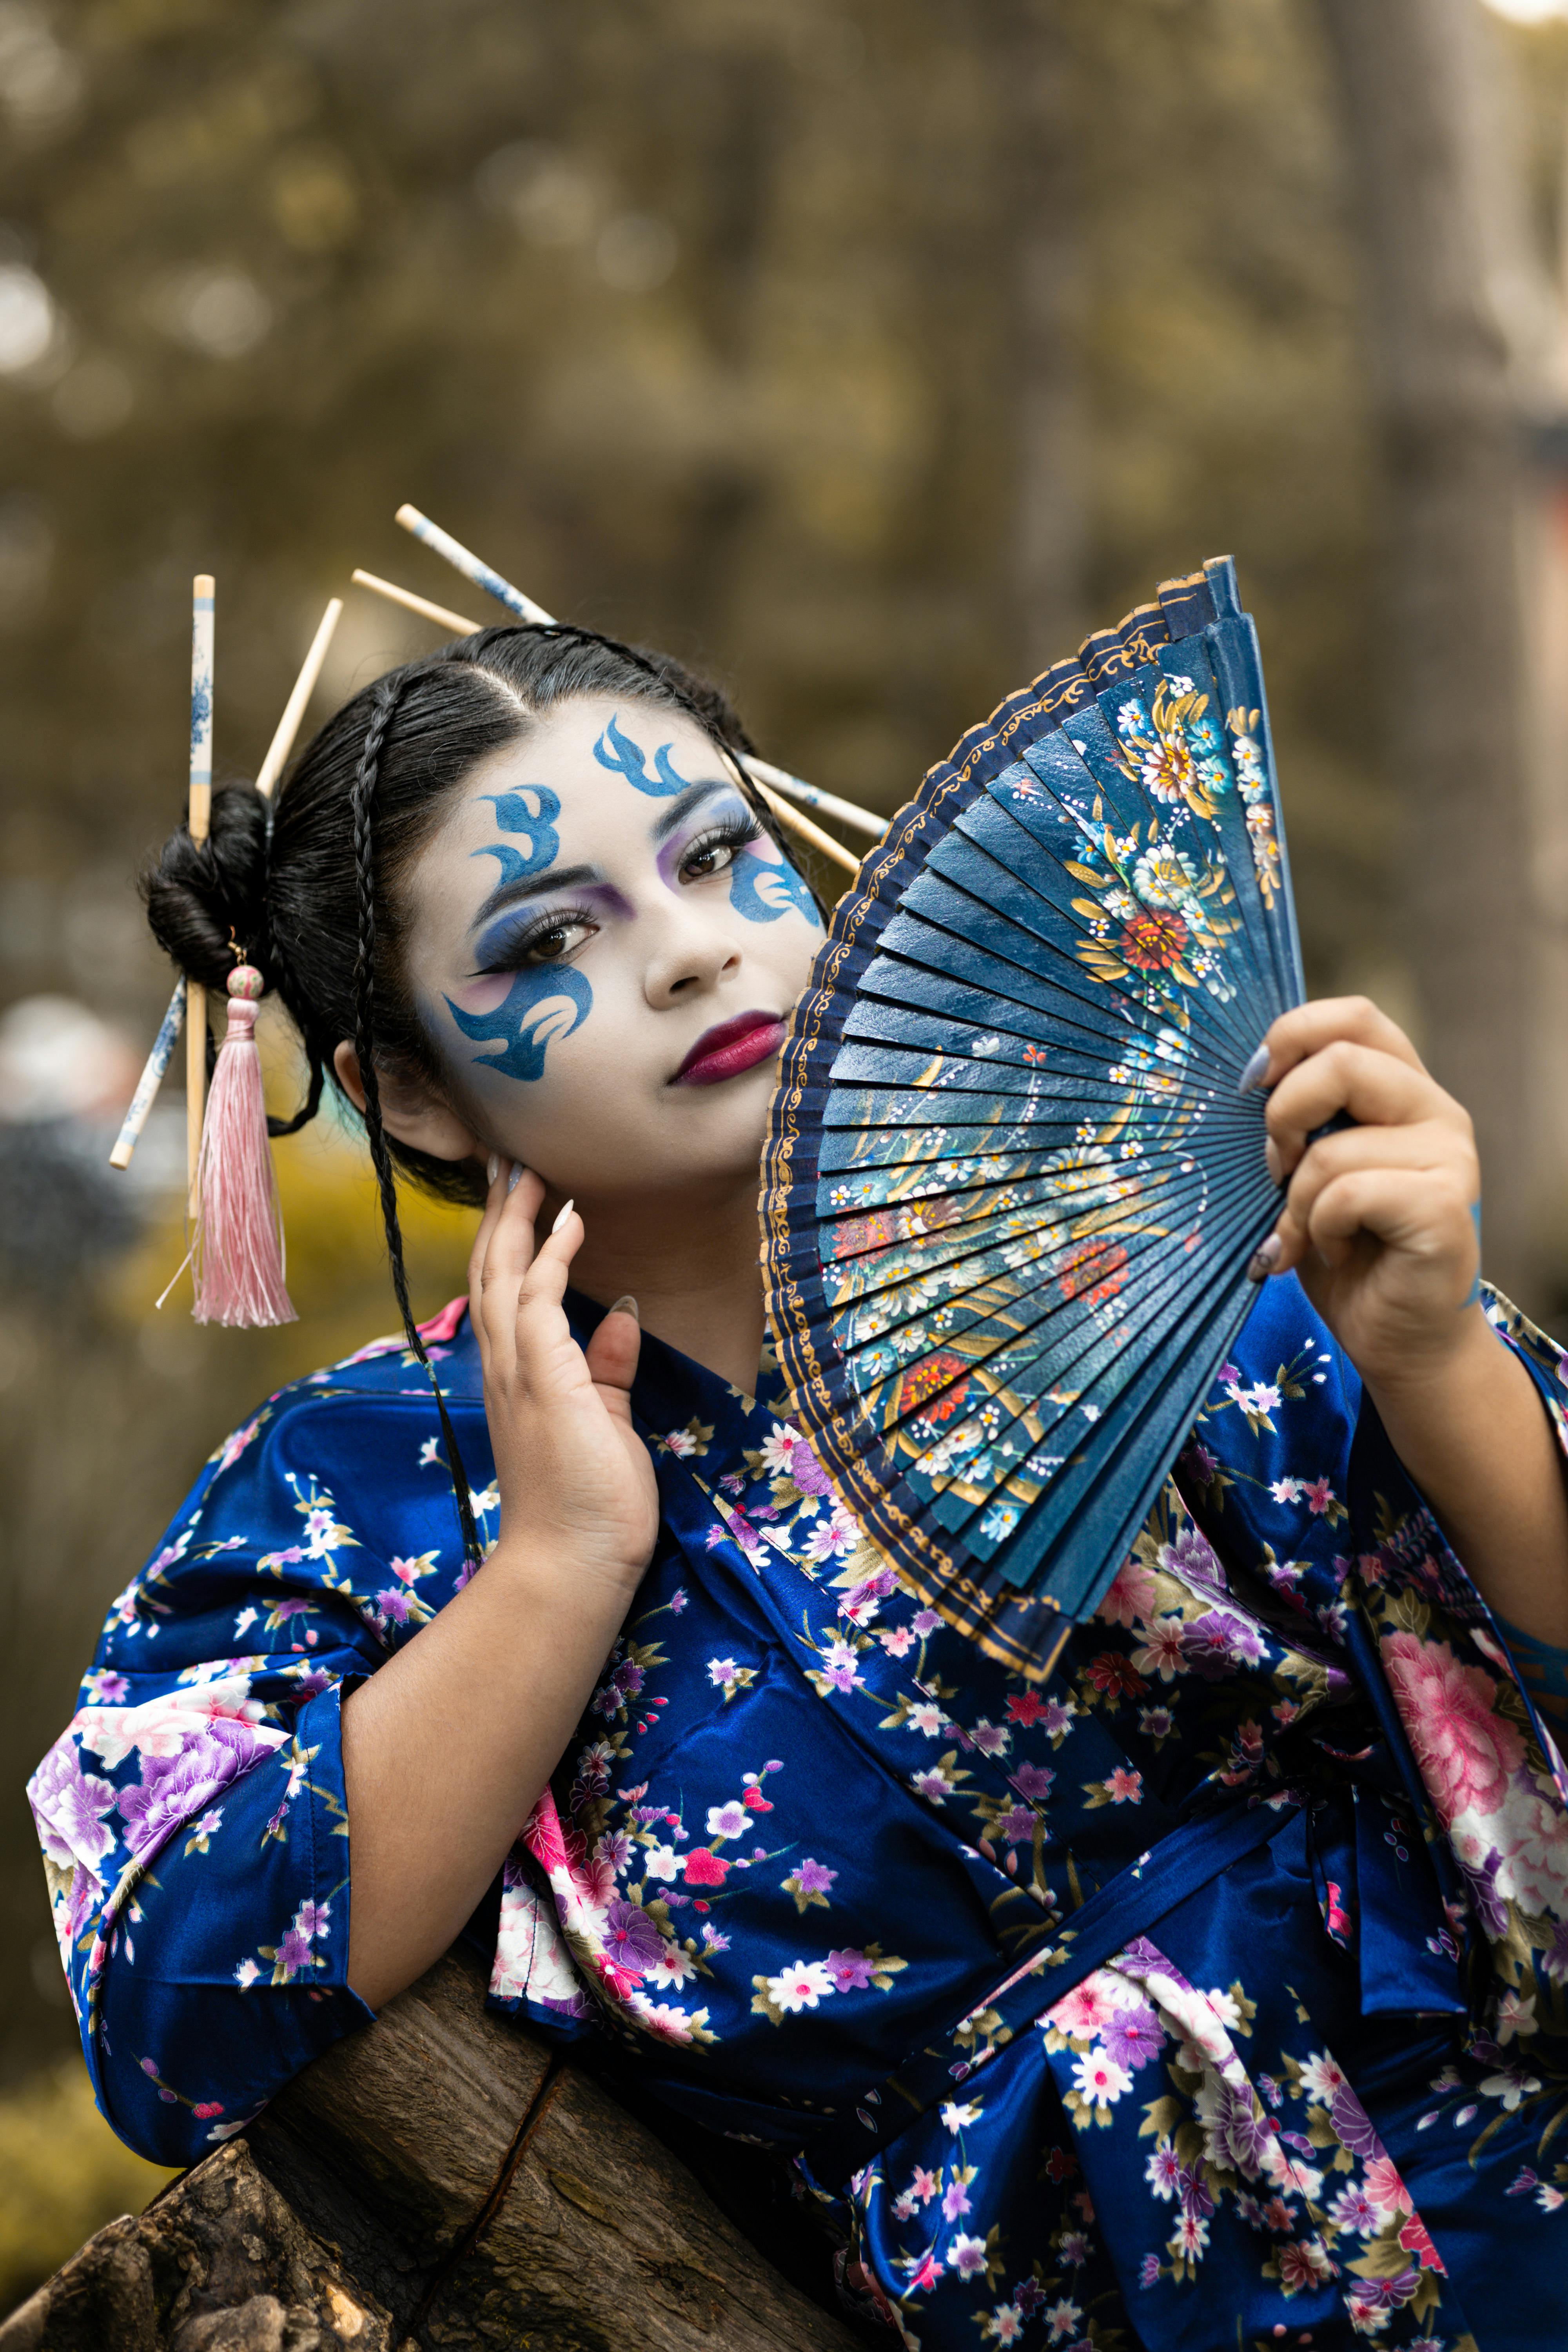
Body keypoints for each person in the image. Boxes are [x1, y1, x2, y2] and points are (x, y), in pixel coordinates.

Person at [29, 619, 1568, 2351]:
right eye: (551, 938)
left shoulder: (1152, 1228)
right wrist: (557, 1565)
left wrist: (1434, 1359)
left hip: (1499, 2183)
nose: (694, 953)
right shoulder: (358, 1484)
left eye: (715, 857)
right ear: (408, 1089)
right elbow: (172, 2007)